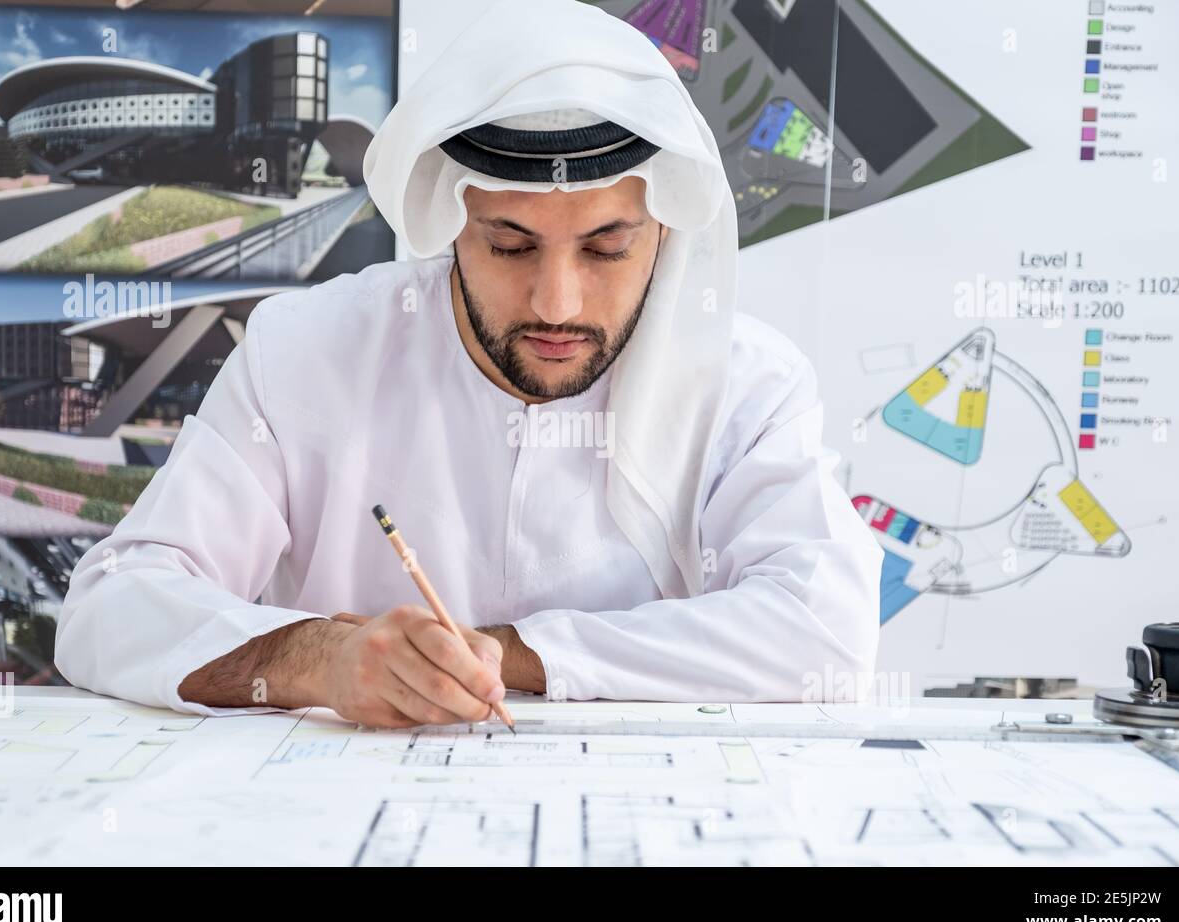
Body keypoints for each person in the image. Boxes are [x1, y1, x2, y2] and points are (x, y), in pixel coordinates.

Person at [54, 0, 883, 727]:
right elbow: (109, 606)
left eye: (606, 247)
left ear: (663, 231)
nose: (557, 302)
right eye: (510, 243)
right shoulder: (305, 351)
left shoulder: (745, 384)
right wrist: (319, 659)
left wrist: (509, 655)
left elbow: (827, 630)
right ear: (452, 219)